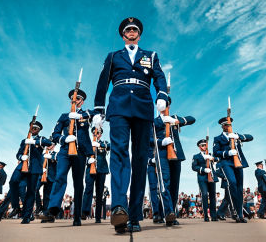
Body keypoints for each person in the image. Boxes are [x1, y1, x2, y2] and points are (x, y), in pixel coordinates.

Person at [93, 17, 168, 233]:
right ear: (123, 35)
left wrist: (162, 95)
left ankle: (134, 214)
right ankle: (118, 207)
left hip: (143, 108)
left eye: (135, 29)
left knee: (140, 159)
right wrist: (99, 109)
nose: (132, 32)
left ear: (139, 34)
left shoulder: (150, 55)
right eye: (128, 30)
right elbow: (102, 82)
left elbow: (159, 77)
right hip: (118, 107)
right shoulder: (113, 56)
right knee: (118, 154)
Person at [40, 89, 95, 226]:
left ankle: (77, 216)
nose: (75, 101)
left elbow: (99, 114)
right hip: (65, 151)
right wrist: (65, 138)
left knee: (78, 183)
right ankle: (52, 208)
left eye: (77, 99)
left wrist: (84, 115)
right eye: (73, 99)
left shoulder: (85, 115)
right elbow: (55, 135)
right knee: (60, 176)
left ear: (82, 101)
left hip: (80, 152)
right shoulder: (64, 116)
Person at [153, 97, 196, 226]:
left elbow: (192, 119)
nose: (166, 107)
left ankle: (169, 213)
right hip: (162, 154)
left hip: (176, 154)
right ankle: (168, 213)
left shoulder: (174, 118)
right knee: (164, 183)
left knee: (174, 186)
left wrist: (175, 120)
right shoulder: (154, 122)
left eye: (167, 105)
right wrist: (162, 142)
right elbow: (150, 140)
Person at [213, 117, 253, 223]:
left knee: (240, 189)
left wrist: (237, 136)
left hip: (238, 163)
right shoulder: (218, 138)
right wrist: (227, 153)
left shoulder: (235, 135)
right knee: (232, 183)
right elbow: (216, 152)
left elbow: (250, 137)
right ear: (222, 126)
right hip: (226, 163)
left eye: (229, 124)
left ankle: (240, 215)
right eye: (226, 125)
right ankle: (234, 211)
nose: (228, 126)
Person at [12, 121, 53, 224]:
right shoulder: (24, 140)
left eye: (35, 128)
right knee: (13, 182)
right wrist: (22, 157)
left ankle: (26, 216)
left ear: (38, 130)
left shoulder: (41, 139)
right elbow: (18, 154)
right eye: (32, 128)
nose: (33, 130)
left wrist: (34, 142)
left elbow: (49, 143)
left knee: (30, 192)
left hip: (34, 168)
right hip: (22, 167)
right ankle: (16, 207)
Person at [81, 127, 110, 223]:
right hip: (90, 169)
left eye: (97, 133)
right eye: (94, 133)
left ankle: (98, 216)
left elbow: (110, 146)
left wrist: (99, 144)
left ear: (100, 134)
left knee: (99, 192)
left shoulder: (104, 143)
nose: (96, 135)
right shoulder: (87, 143)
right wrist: (87, 160)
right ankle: (84, 212)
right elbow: (82, 154)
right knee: (88, 189)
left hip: (101, 169)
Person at [192, 139, 219, 222]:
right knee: (204, 195)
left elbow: (218, 159)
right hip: (202, 178)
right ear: (199, 147)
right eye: (203, 145)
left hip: (211, 177)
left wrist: (212, 158)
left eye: (205, 145)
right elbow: (194, 167)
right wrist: (203, 169)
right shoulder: (196, 156)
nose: (204, 147)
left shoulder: (210, 154)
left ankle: (214, 216)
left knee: (212, 196)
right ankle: (206, 215)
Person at [35, 144, 57, 223]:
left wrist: (51, 157)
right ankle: (39, 207)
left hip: (50, 177)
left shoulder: (55, 154)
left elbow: (59, 161)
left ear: (53, 146)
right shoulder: (42, 155)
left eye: (51, 145)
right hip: (41, 176)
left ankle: (46, 215)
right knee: (35, 189)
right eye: (48, 145)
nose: (49, 146)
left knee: (47, 197)